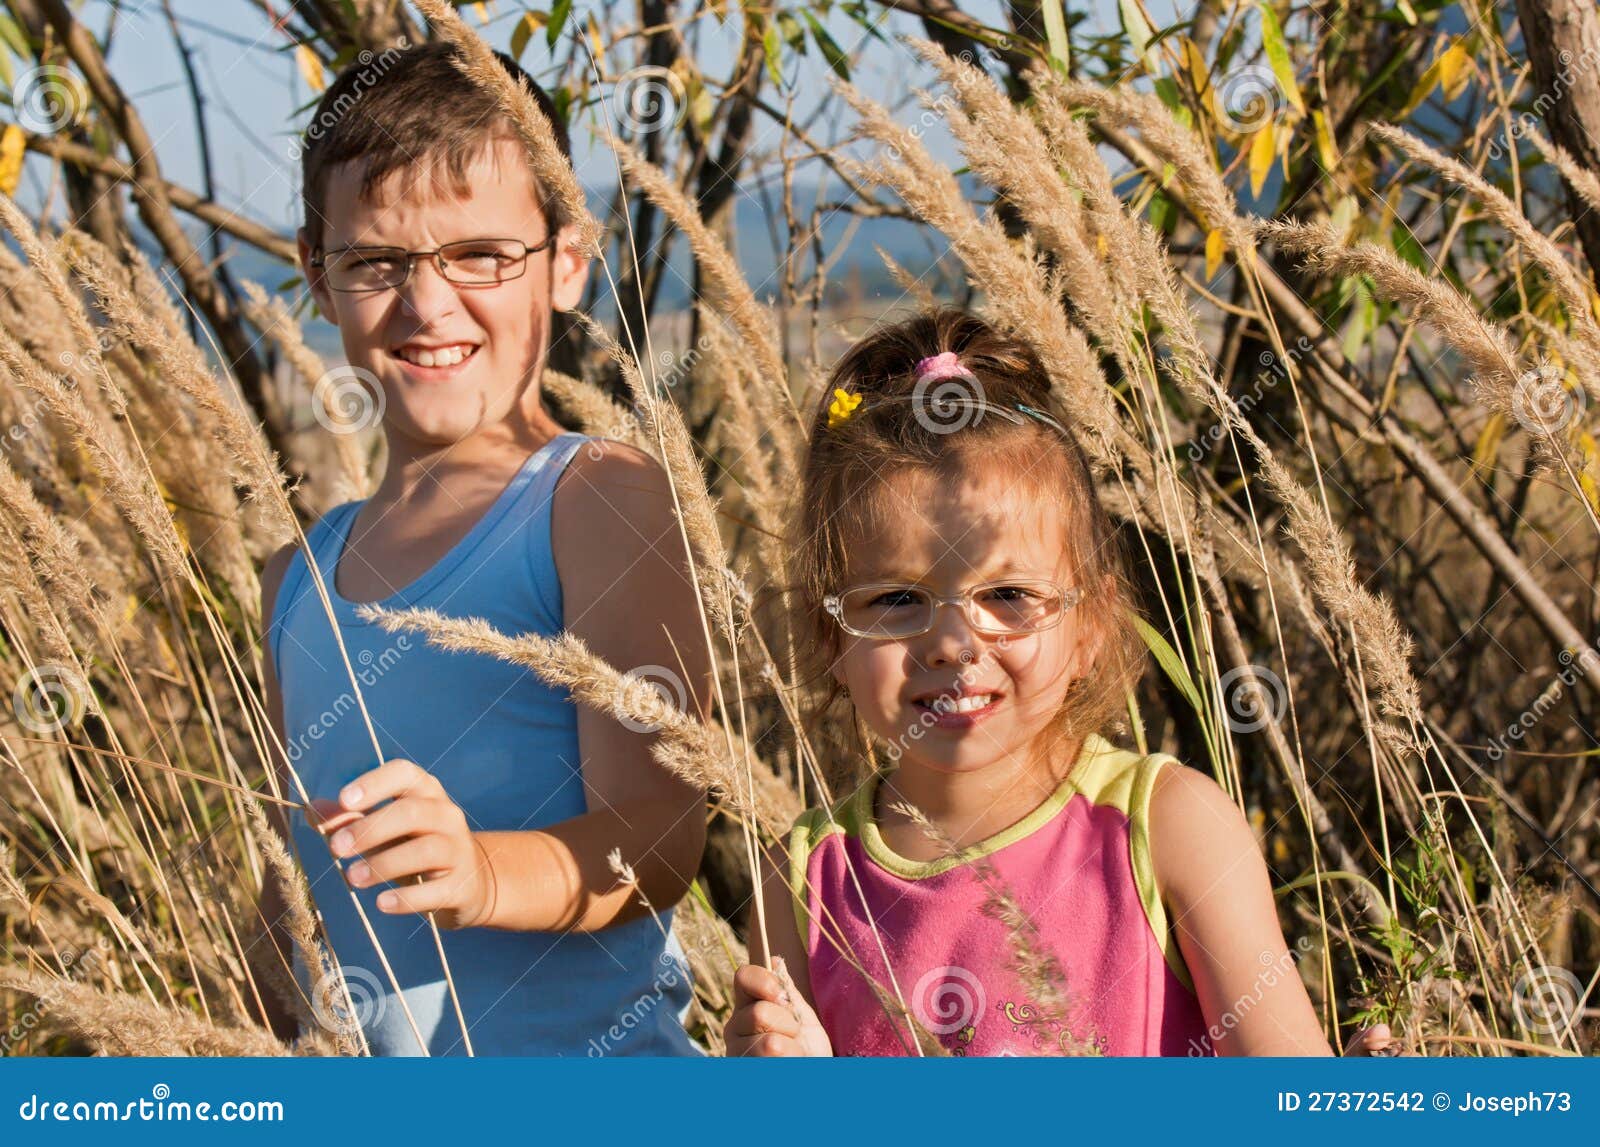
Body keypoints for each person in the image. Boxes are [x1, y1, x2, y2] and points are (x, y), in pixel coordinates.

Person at [723, 308, 1401, 1057]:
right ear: (831, 639)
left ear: (1090, 626)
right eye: (896, 600)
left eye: (1008, 596)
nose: (951, 643)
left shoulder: (1166, 830)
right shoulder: (805, 883)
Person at [253, 41, 707, 1056]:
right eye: (376, 262)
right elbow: (287, 895)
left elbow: (660, 833)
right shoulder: (297, 583)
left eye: (481, 255)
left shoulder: (596, 501)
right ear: (315, 274)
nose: (428, 305)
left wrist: (484, 873)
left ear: (566, 263)